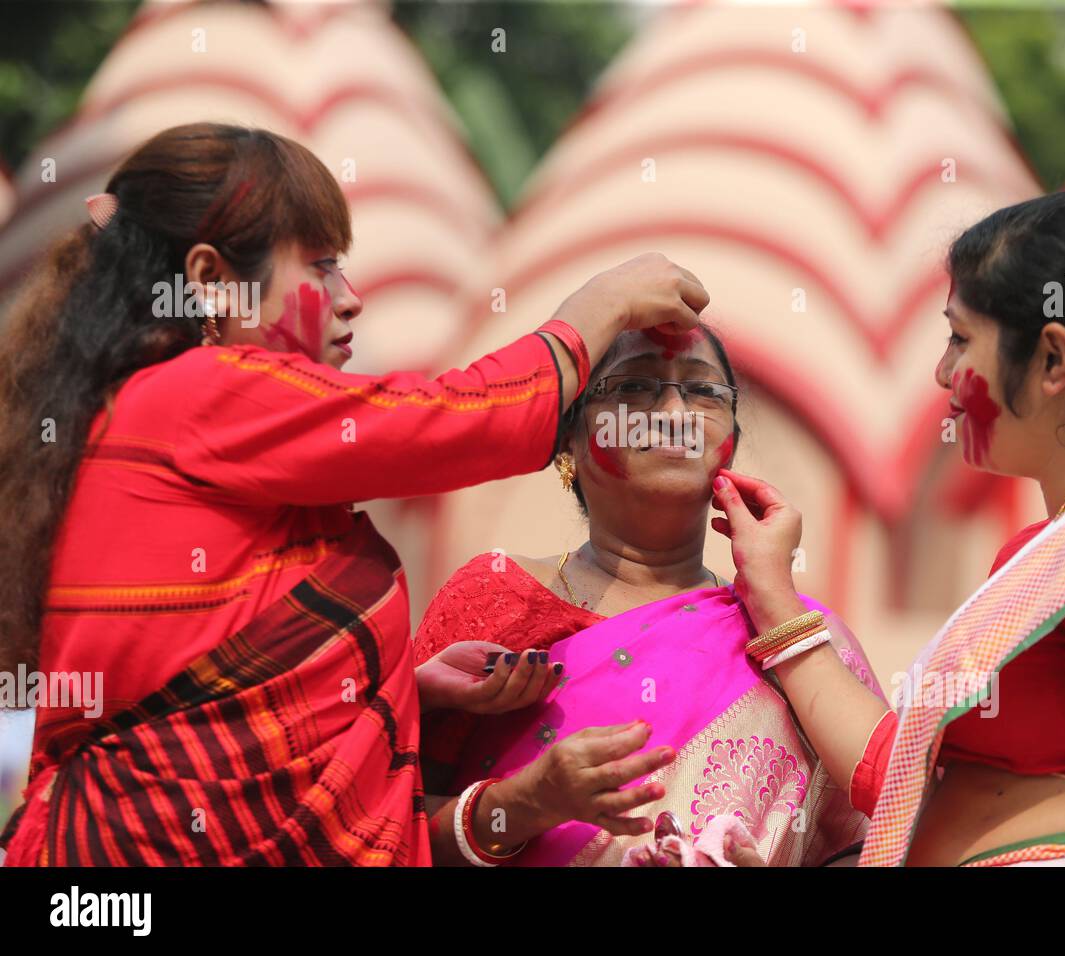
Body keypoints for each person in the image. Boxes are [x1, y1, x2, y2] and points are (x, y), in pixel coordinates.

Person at [0, 122, 709, 866]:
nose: (351, 299)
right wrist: (600, 308)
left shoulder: (151, 412)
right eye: (322, 266)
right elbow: (448, 419)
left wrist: (393, 687)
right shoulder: (200, 395)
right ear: (211, 281)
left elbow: (201, 645)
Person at [706, 189, 1065, 867]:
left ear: (1054, 361)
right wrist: (773, 595)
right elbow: (897, 778)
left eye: (961, 338)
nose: (943, 372)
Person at [412, 323, 883, 866]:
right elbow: (375, 826)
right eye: (634, 388)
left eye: (704, 391)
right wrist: (521, 804)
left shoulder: (795, 637)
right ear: (569, 434)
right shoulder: (498, 596)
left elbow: (884, 838)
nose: (674, 413)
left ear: (731, 439)